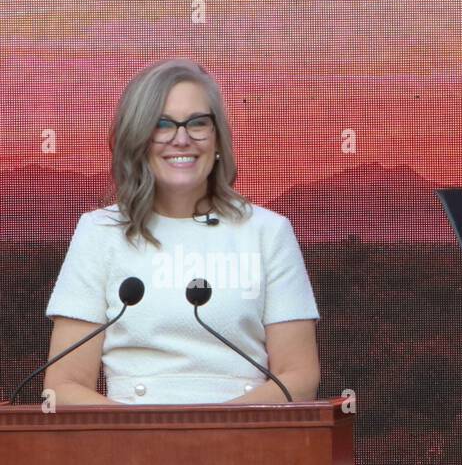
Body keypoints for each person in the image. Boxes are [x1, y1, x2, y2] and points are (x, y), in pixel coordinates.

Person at [43, 58, 320, 405]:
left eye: (198, 123)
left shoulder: (268, 232)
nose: (182, 139)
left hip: (247, 444)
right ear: (138, 139)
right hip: (129, 449)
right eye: (162, 125)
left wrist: (207, 433)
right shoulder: (98, 233)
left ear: (218, 138)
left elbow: (299, 377)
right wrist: (153, 437)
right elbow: (63, 386)